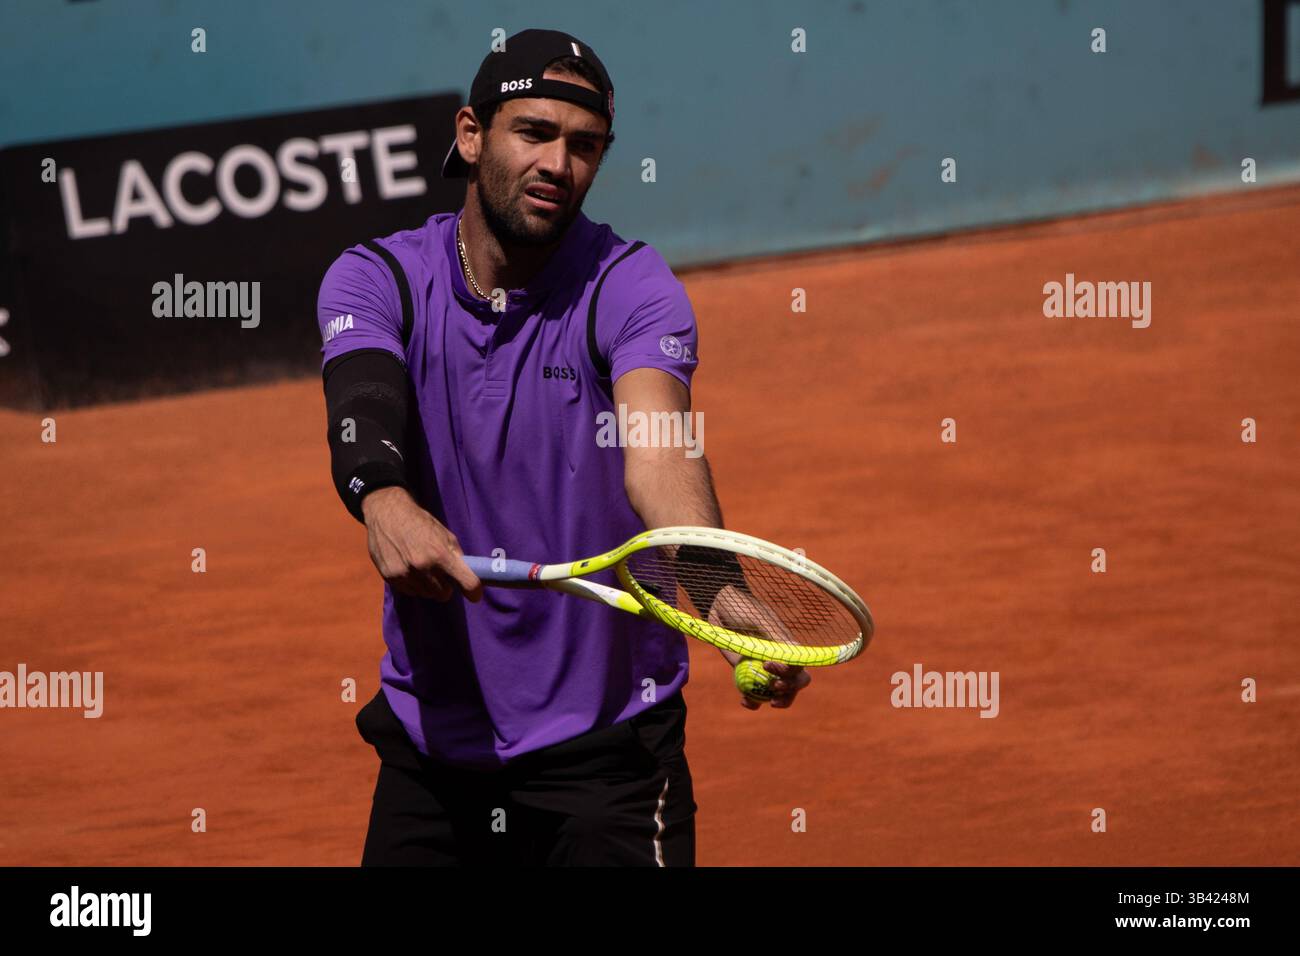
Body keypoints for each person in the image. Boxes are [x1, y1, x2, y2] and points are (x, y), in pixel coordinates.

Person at [316, 28, 809, 867]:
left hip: (609, 752)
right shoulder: (377, 277)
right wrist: (385, 501)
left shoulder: (632, 285)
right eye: (533, 133)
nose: (558, 164)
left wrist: (712, 584)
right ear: (472, 136)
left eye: (585, 146)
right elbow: (364, 405)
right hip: (435, 740)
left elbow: (659, 449)